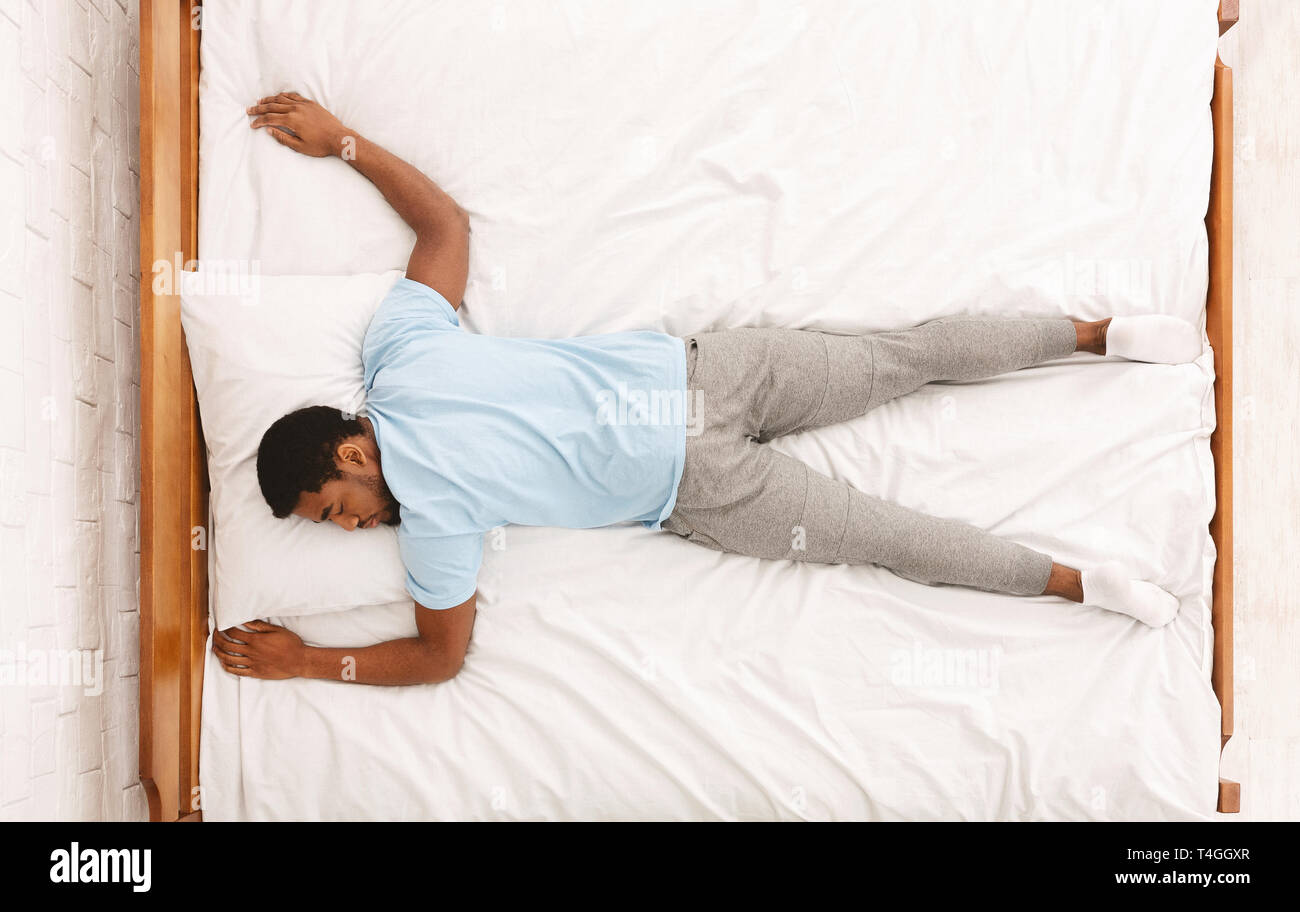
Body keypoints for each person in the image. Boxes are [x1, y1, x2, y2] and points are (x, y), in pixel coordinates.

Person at [213, 93, 1203, 686]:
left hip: (708, 377)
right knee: (889, 537)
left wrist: (347, 142)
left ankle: (1096, 335)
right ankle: (1080, 583)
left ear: (350, 452)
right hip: (697, 483)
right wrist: (306, 661)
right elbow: (440, 660)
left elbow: (443, 232)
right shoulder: (426, 504)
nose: (349, 530)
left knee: (905, 357)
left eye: (334, 511)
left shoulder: (400, 369)